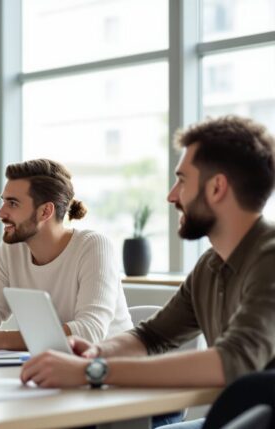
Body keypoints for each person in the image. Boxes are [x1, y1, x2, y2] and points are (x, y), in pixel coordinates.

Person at [19, 116, 275, 429]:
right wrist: (97, 353)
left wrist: (94, 371)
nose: (171, 195)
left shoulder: (270, 257)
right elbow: (151, 336)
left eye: (182, 180)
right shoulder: (210, 265)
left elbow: (233, 362)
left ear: (217, 187)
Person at [0, 159, 132, 351]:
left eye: (12, 203)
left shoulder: (93, 247)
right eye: (4, 202)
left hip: (109, 369)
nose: (1, 213)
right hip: (52, 368)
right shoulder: (12, 249)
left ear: (45, 211)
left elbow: (89, 331)